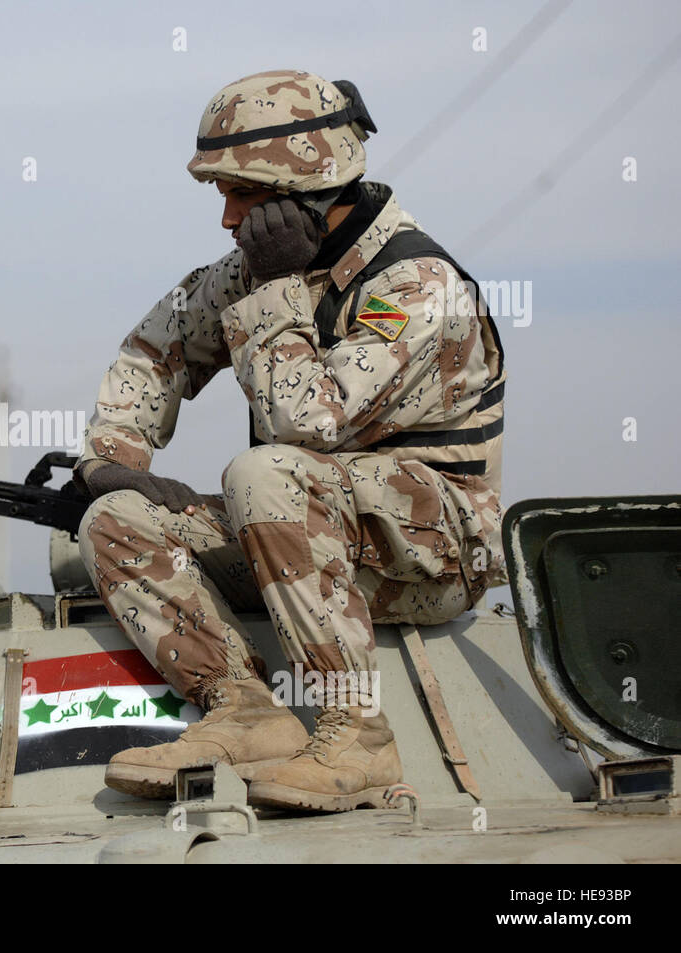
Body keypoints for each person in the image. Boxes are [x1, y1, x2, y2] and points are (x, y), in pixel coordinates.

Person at [74, 70, 507, 812]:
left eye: (241, 194)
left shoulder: (419, 286)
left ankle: (358, 736)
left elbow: (306, 424)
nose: (227, 219)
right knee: (114, 523)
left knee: (264, 471)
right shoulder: (252, 269)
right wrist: (114, 459)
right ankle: (244, 709)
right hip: (305, 542)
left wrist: (274, 293)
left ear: (300, 189)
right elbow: (157, 346)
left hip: (430, 557)